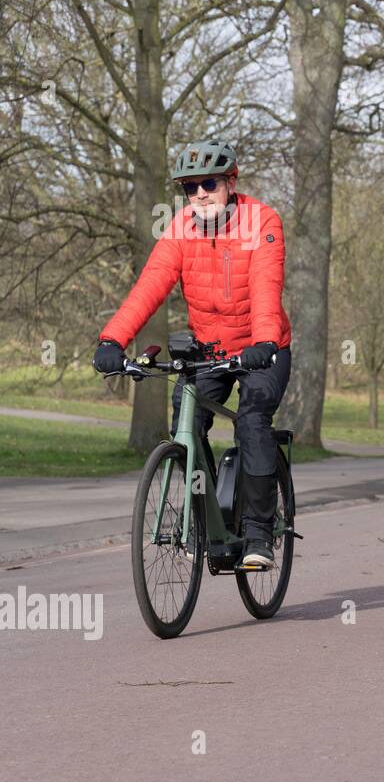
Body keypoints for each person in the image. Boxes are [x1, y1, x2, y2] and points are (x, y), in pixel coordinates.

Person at [92, 141, 292, 568]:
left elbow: (265, 288)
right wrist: (112, 340)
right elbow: (150, 287)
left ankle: (258, 534)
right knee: (186, 418)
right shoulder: (180, 229)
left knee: (253, 422)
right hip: (210, 347)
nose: (199, 194)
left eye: (208, 183)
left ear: (230, 183)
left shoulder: (263, 221)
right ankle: (208, 518)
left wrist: (264, 342)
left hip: (261, 346)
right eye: (189, 188)